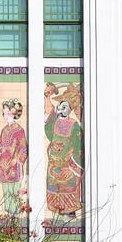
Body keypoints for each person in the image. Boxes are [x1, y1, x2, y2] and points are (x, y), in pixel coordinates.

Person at [44, 82, 83, 218]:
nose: (61, 109)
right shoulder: (55, 123)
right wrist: (47, 96)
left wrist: (71, 168)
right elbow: (48, 123)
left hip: (68, 166)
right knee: (54, 193)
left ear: (70, 109)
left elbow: (79, 149)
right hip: (53, 165)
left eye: (65, 107)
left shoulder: (74, 126)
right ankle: (56, 217)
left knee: (68, 191)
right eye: (60, 106)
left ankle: (70, 215)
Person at [0, 98, 27, 216]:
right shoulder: (5, 130)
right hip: (4, 167)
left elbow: (24, 149)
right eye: (4, 113)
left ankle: (15, 216)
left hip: (15, 167)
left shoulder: (20, 130)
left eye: (8, 113)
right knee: (7, 193)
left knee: (15, 192)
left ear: (14, 114)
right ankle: (10, 216)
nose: (6, 116)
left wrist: (16, 160)